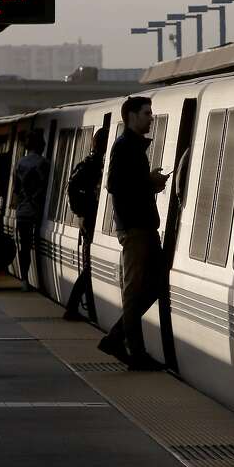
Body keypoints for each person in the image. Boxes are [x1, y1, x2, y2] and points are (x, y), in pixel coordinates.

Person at [97, 97, 169, 371]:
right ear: (131, 116)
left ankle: (116, 337)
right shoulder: (125, 146)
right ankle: (135, 353)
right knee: (135, 289)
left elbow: (128, 183)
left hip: (143, 226)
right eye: (147, 113)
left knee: (155, 283)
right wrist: (149, 182)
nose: (151, 117)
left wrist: (148, 181)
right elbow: (115, 184)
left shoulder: (131, 146)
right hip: (136, 228)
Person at [63, 127, 109, 321]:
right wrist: (82, 213)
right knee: (91, 268)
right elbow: (72, 188)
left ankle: (78, 306)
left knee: (90, 266)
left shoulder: (89, 163)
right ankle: (72, 307)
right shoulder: (93, 165)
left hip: (90, 218)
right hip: (91, 220)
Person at [13, 130, 49, 290]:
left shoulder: (20, 163)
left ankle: (24, 279)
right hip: (39, 211)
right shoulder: (44, 163)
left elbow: (16, 190)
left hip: (23, 211)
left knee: (24, 245)